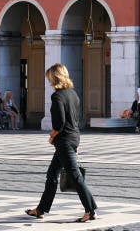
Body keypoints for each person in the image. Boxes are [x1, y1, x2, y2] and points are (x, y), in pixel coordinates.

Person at [25, 63, 97, 223]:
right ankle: (40, 209)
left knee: (76, 176)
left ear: (53, 77)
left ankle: (90, 211)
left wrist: (52, 136)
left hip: (63, 140)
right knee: (52, 175)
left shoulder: (57, 96)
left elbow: (59, 123)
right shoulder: (73, 94)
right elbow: (75, 120)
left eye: (49, 77)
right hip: (73, 137)